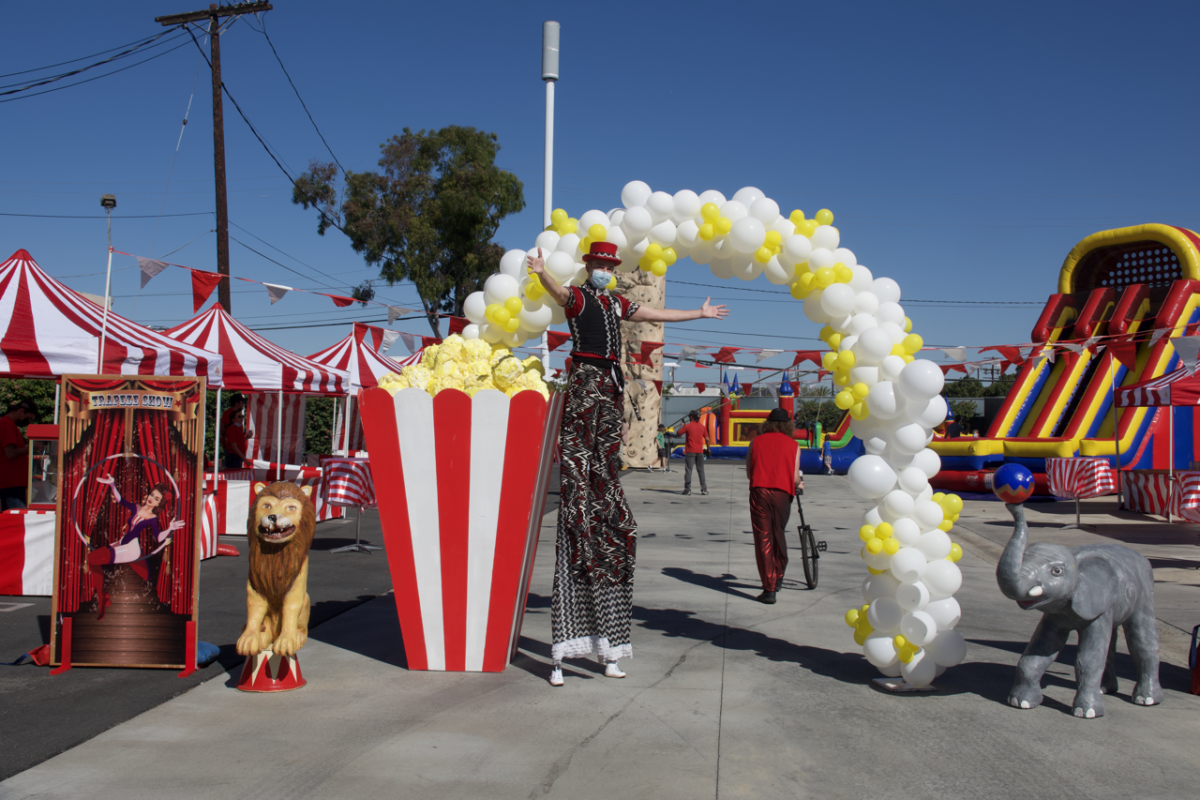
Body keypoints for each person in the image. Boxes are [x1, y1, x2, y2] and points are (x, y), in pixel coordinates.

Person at [526, 241, 728, 687]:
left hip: (610, 391)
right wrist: (541, 273)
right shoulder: (578, 297)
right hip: (586, 383)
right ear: (589, 266)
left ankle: (611, 649)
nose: (604, 269)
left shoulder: (616, 302)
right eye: (598, 264)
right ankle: (566, 649)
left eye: (608, 265)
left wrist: (698, 315)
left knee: (615, 520)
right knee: (582, 487)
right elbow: (560, 295)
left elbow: (656, 317)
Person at [86, 477, 184, 619]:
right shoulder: (137, 507)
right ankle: (102, 597)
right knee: (91, 558)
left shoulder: (152, 517)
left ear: (159, 503)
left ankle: (102, 599)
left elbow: (158, 538)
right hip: (123, 542)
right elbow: (121, 500)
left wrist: (170, 528)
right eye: (152, 495)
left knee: (93, 558)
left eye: (156, 498)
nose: (151, 499)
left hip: (131, 548)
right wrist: (113, 485)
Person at [745, 409, 802, 604]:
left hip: (759, 490)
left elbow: (748, 473)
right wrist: (799, 483)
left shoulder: (755, 442)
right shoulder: (794, 445)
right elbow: (794, 478)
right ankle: (779, 576)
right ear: (787, 425)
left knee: (763, 538)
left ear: (767, 423)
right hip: (782, 493)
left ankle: (769, 589)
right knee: (779, 533)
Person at [0, 399, 37, 510]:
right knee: (17, 518)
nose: (28, 422)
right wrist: (32, 447)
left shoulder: (9, 424)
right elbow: (10, 453)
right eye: (29, 418)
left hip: (13, 483)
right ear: (21, 412)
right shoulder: (6, 424)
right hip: (11, 485)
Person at [678, 409, 711, 495]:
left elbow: (678, 433)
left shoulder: (687, 426)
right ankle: (704, 489)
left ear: (691, 417)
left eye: (689, 416)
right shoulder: (701, 426)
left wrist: (682, 426)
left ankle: (688, 489)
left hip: (690, 451)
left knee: (689, 470)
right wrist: (708, 449)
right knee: (701, 470)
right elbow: (707, 439)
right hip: (700, 451)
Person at [221, 401, 252, 469]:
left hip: (236, 457)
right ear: (233, 419)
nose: (241, 418)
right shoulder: (231, 429)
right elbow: (234, 447)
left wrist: (246, 437)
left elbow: (238, 443)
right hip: (233, 457)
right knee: (233, 478)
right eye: (239, 417)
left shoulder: (236, 428)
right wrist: (245, 459)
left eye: (242, 416)